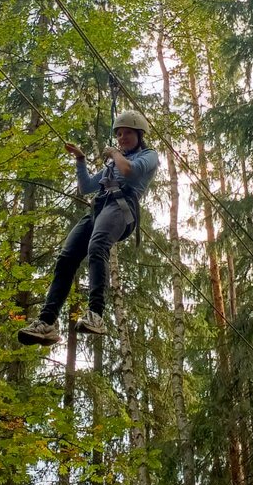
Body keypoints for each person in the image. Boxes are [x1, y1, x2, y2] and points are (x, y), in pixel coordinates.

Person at [18, 111, 158, 346]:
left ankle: (96, 315)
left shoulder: (149, 155)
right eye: (119, 134)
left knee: (98, 246)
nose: (122, 137)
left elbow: (129, 171)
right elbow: (86, 187)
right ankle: (47, 323)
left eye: (127, 133)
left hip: (122, 208)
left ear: (139, 135)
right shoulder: (113, 164)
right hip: (99, 208)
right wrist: (81, 161)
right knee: (66, 258)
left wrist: (114, 153)